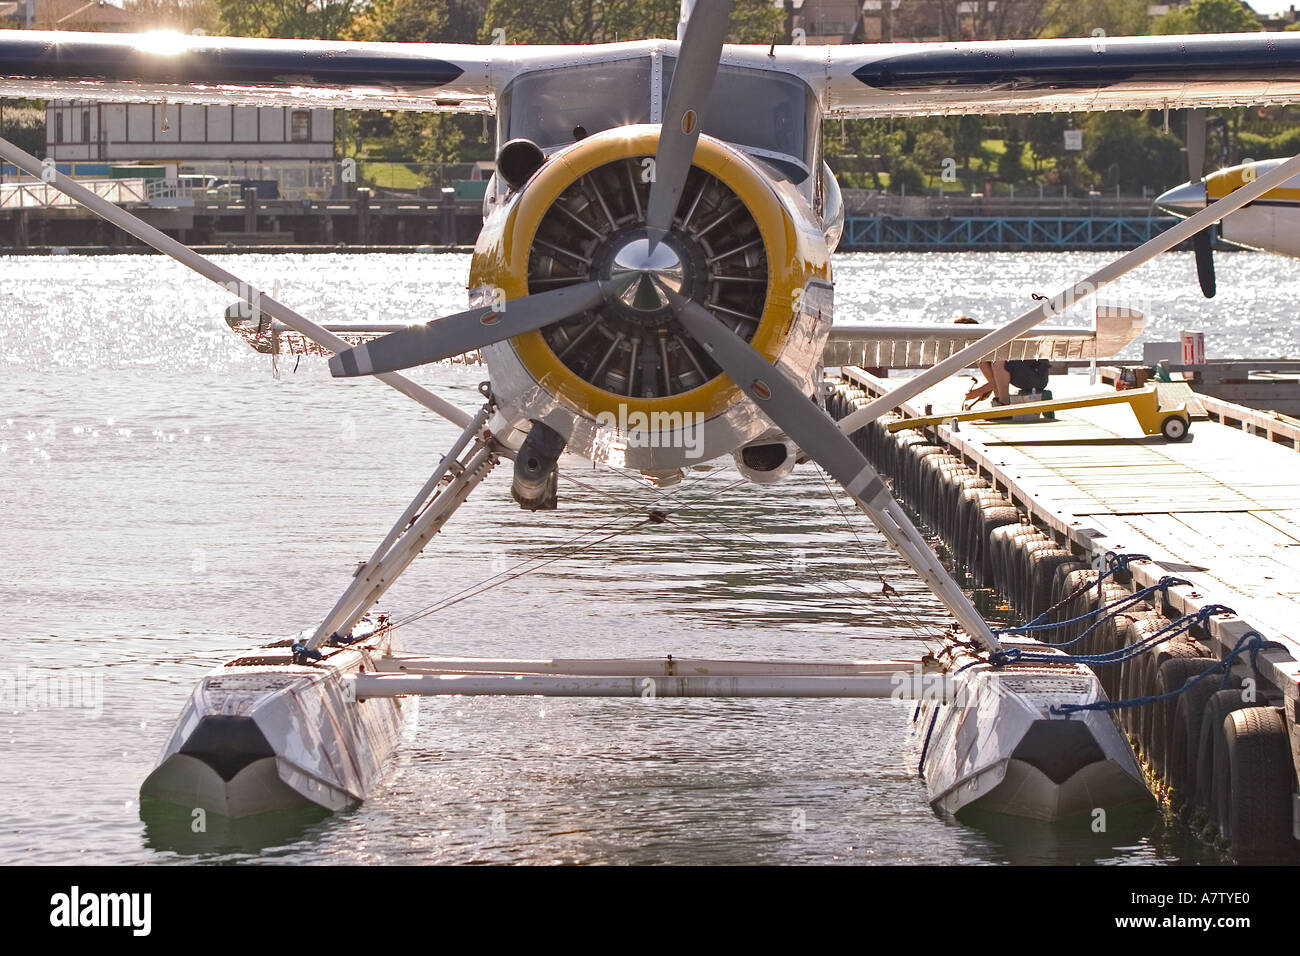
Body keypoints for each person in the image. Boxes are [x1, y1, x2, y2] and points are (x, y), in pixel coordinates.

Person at [955, 316, 1050, 406]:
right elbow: (998, 376)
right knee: (983, 360)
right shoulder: (984, 346)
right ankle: (999, 398)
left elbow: (1002, 366)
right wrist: (986, 389)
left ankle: (1004, 402)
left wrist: (980, 391)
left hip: (1037, 377)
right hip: (1022, 373)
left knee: (1000, 360)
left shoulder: (994, 339)